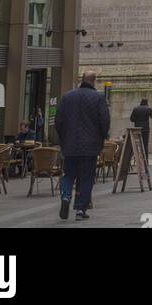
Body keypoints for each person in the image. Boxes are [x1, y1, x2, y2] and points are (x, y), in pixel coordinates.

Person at [54, 71, 110, 221]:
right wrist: (104, 136)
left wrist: (63, 139)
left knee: (69, 174)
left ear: (82, 80)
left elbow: (58, 121)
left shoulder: (67, 97)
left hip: (70, 145)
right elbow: (104, 121)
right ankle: (80, 209)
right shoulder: (99, 97)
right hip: (90, 147)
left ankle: (66, 196)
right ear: (94, 81)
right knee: (86, 177)